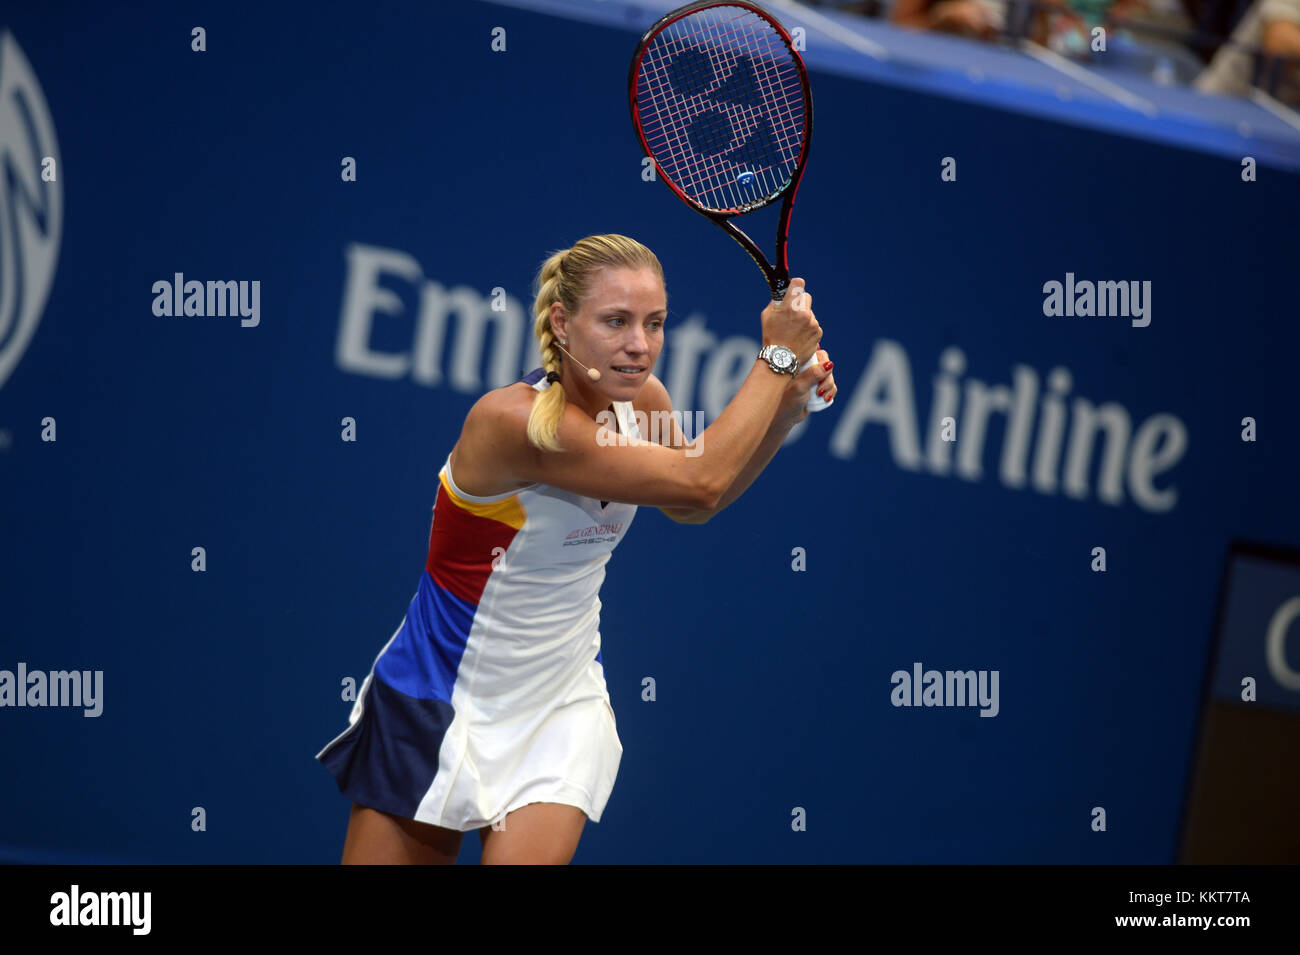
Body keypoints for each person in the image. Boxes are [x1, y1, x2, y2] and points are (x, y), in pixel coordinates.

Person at [315, 233, 837, 864]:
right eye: (616, 322)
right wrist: (777, 360)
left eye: (655, 323)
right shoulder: (512, 424)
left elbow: (690, 503)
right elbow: (699, 483)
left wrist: (782, 413)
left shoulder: (643, 402)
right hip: (436, 697)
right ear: (562, 323)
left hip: (559, 698)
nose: (639, 345)